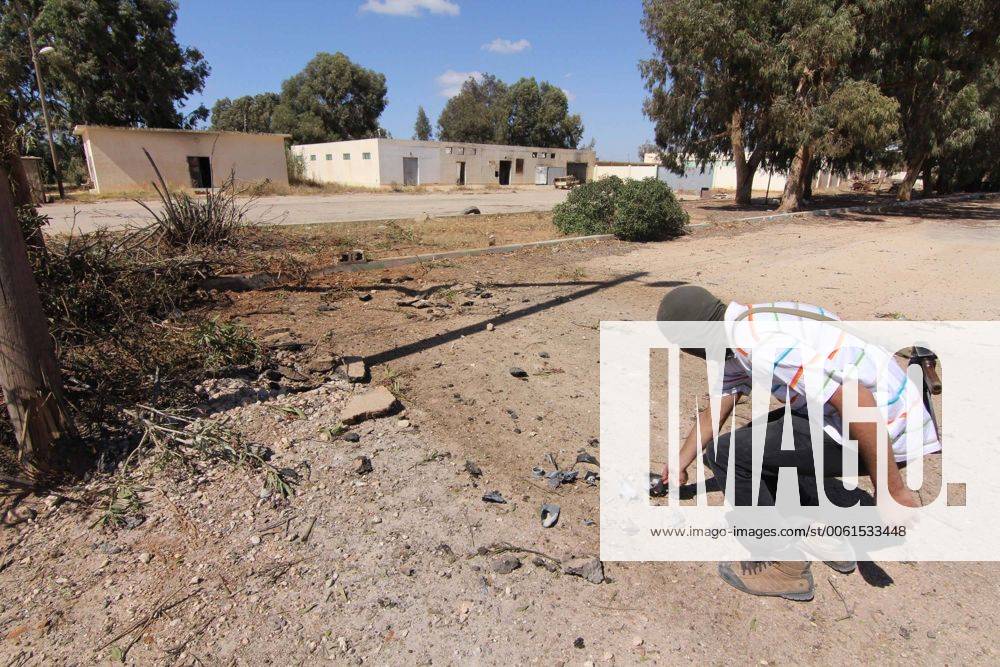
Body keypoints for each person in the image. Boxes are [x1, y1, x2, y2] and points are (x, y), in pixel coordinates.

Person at [656, 285, 939, 601]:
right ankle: (818, 532)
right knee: (755, 441)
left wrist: (890, 489)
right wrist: (680, 461)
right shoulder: (741, 328)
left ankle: (784, 565)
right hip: (886, 415)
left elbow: (856, 399)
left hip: (887, 428)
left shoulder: (759, 344)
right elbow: (722, 401)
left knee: (729, 454)